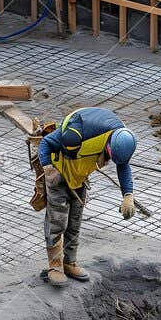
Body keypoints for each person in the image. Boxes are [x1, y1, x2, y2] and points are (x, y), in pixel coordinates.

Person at [36, 107, 138, 286]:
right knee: (57, 221)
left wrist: (128, 194)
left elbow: (123, 166)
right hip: (58, 174)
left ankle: (69, 263)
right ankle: (55, 266)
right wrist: (48, 168)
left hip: (80, 176)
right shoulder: (75, 131)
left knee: (74, 221)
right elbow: (45, 144)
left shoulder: (121, 137)